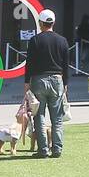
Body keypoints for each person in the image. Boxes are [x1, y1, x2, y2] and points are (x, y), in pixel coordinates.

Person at [24, 8, 70, 158]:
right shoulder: (62, 40)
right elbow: (66, 65)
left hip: (38, 80)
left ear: (40, 23)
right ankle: (57, 148)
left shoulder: (34, 40)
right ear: (53, 22)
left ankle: (43, 149)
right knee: (57, 117)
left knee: (39, 115)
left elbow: (29, 63)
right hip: (57, 80)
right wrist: (66, 83)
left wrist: (26, 82)